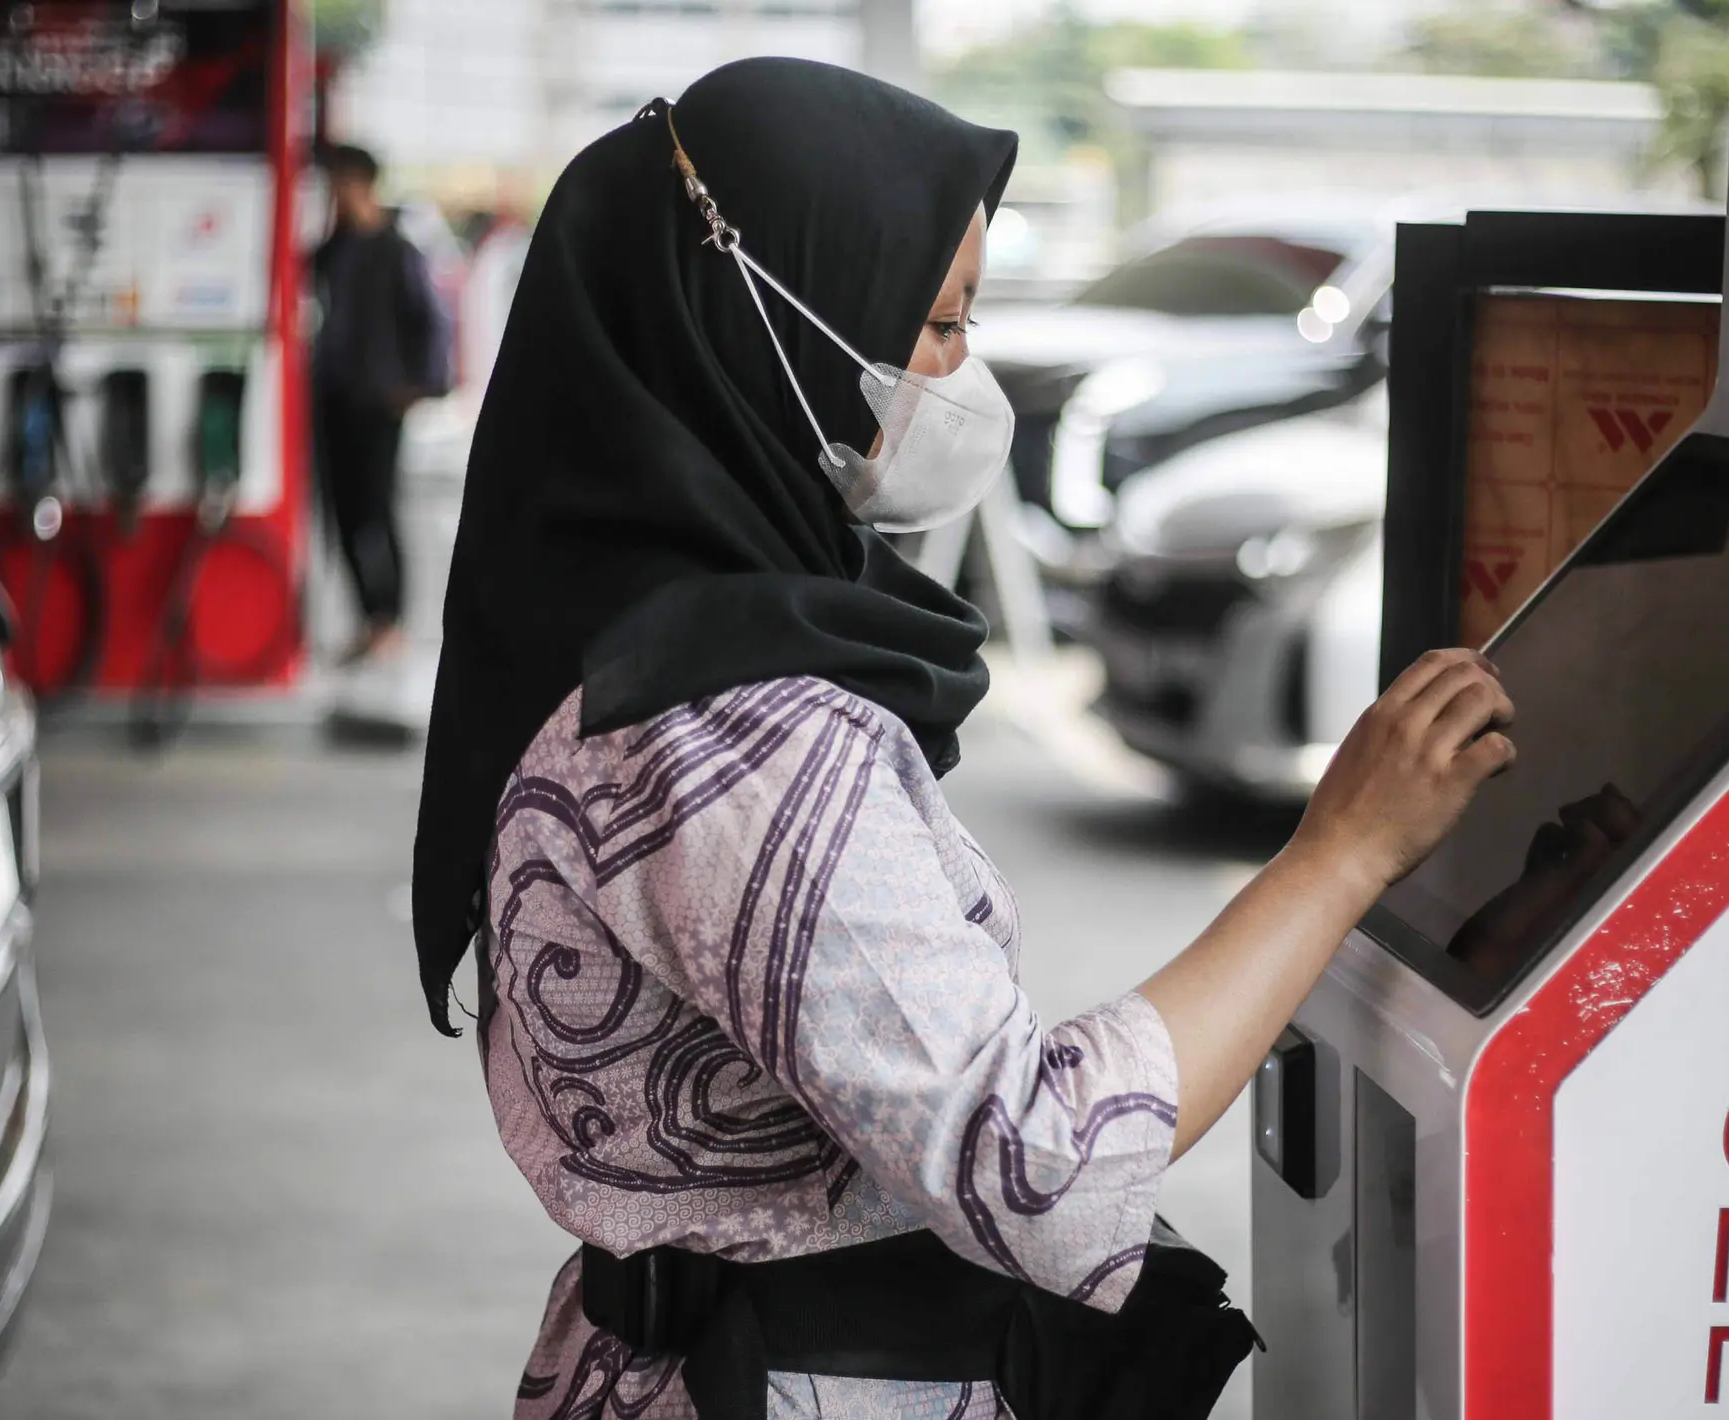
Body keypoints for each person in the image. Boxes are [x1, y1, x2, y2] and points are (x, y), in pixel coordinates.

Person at [409, 59, 1514, 1420]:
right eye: (932, 325)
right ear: (768, 327)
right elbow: (1032, 1164)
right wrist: (1339, 852)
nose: (956, 374)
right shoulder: (741, 738)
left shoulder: (622, 630)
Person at [310, 143, 452, 667]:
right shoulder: (331, 250)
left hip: (378, 403)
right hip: (333, 398)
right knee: (343, 510)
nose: (335, 195)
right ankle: (368, 618)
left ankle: (391, 618)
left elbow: (433, 323)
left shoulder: (397, 251)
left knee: (377, 507)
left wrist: (418, 387)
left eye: (341, 184)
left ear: (363, 184)